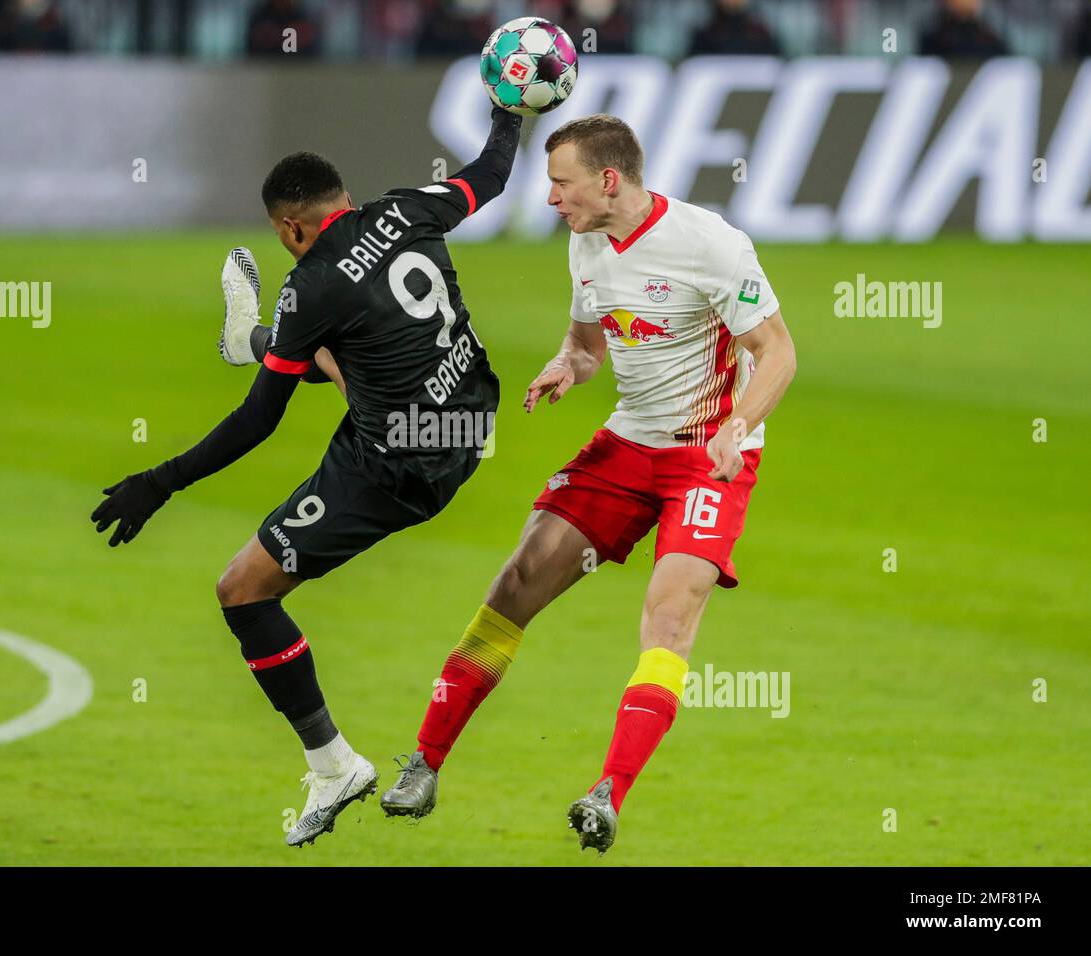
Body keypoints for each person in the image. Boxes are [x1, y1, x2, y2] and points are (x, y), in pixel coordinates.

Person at [90, 106, 523, 848]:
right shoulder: (406, 209)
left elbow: (257, 423)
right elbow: (490, 172)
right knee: (356, 342)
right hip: (472, 420)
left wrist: (158, 482)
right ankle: (258, 341)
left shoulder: (311, 285)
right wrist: (510, 113)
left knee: (242, 590)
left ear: (292, 229)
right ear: (342, 200)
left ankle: (334, 765)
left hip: (397, 465)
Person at [380, 114, 797, 853]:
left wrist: (737, 426)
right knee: (514, 585)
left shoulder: (711, 244)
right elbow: (587, 344)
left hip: (708, 456)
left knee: (669, 619)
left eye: (560, 183)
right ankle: (424, 763)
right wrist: (566, 368)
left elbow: (778, 353)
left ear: (609, 180)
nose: (549, 200)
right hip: (628, 445)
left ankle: (608, 792)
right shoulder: (586, 242)